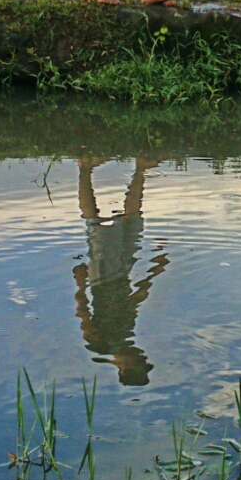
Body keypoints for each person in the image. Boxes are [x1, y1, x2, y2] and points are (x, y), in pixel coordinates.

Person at [72, 155, 168, 386]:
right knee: (133, 220)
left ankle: (85, 168)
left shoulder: (99, 346)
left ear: (125, 368)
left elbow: (83, 314)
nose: (141, 355)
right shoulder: (125, 336)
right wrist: (155, 271)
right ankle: (140, 168)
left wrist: (81, 283)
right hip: (123, 273)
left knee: (94, 222)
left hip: (103, 277)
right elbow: (134, 301)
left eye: (139, 361)